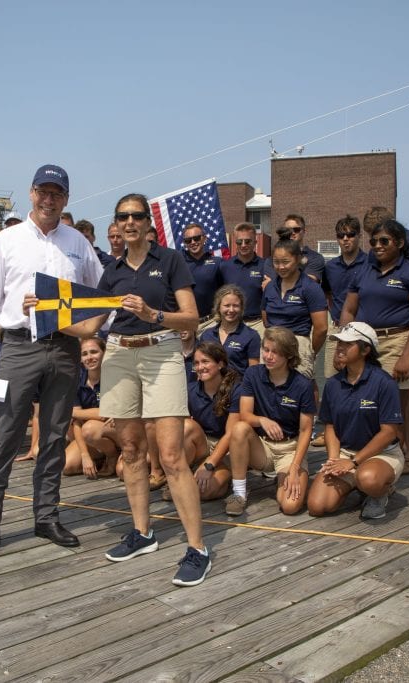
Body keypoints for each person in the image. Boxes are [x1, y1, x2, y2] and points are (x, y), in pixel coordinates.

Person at [0, 164, 103, 565]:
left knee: (55, 436)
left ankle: (46, 516)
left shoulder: (77, 242)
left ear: (67, 199)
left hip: (64, 349)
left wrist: (91, 326)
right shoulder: (6, 240)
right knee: (4, 436)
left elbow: (99, 290)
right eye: (43, 191)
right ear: (31, 192)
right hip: (19, 347)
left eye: (57, 193)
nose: (49, 199)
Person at [96, 192, 210, 587]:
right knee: (130, 450)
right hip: (118, 353)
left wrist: (152, 314)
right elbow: (88, 324)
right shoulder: (110, 270)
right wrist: (41, 313)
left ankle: (198, 548)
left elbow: (192, 319)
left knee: (172, 455)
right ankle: (143, 534)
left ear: (149, 223)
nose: (129, 222)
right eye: (122, 216)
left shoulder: (172, 261)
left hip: (161, 351)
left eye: (136, 216)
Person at [341, 219, 409, 474]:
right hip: (365, 341)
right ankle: (382, 451)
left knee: (400, 399)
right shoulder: (364, 271)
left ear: (400, 243)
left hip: (399, 339)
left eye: (384, 241)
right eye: (373, 241)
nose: (377, 246)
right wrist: (345, 341)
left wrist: (407, 355)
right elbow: (349, 309)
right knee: (369, 397)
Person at [308, 322, 404, 520]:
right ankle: (356, 485)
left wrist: (353, 462)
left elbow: (389, 432)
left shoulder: (384, 383)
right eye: (339, 342)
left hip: (381, 454)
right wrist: (334, 460)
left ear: (366, 350)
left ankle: (379, 492)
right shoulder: (333, 384)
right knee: (317, 506)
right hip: (345, 453)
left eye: (348, 343)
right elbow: (330, 425)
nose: (340, 347)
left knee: (368, 479)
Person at [227, 326, 316, 516]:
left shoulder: (303, 385)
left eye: (275, 352)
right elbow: (244, 415)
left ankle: (293, 478)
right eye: (266, 350)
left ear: (289, 356)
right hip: (263, 447)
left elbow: (306, 431)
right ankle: (239, 493)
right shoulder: (253, 374)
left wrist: (294, 468)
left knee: (290, 506)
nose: (268, 356)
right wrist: (262, 420)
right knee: (240, 428)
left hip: (289, 450)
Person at [261, 229, 328, 382]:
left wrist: (310, 351)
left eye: (285, 262)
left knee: (300, 389)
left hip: (298, 346)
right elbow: (265, 316)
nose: (280, 267)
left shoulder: (310, 288)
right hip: (271, 344)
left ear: (298, 259)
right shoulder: (270, 287)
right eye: (276, 262)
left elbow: (321, 327)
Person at [185, 342, 238, 503]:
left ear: (220, 364)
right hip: (202, 444)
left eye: (205, 361)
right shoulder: (191, 390)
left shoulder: (237, 389)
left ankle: (224, 476)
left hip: (228, 450)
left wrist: (209, 465)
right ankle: (181, 476)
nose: (200, 367)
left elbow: (231, 435)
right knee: (186, 426)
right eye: (196, 363)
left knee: (204, 492)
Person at [63, 337, 120, 478]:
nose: (89, 357)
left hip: (115, 430)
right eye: (85, 354)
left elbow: (104, 413)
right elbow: (76, 421)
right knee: (67, 466)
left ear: (104, 353)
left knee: (89, 428)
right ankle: (100, 456)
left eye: (94, 352)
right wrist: (84, 455)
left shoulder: (115, 376)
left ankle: (113, 456)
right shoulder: (77, 380)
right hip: (91, 435)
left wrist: (73, 413)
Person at [321, 215, 367, 379]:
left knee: (362, 378)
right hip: (336, 329)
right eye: (341, 236)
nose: (346, 239)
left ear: (359, 236)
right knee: (332, 377)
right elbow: (327, 293)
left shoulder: (370, 264)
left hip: (363, 330)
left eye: (350, 234)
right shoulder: (330, 267)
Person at [200, 284, 260, 376]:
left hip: (238, 388)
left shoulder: (251, 336)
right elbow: (200, 367)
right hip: (211, 387)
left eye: (235, 306)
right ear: (219, 307)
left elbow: (254, 373)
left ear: (241, 308)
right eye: (227, 305)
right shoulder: (207, 335)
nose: (231, 310)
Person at [219, 222, 265, 336]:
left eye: (248, 241)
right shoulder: (225, 266)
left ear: (255, 242)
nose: (243, 245)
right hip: (231, 323)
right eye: (239, 242)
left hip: (257, 324)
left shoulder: (265, 266)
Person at [181, 222, 224, 332]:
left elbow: (225, 292)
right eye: (188, 240)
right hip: (184, 324)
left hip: (210, 323)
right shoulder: (178, 264)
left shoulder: (218, 263)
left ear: (204, 238)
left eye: (196, 238)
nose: (193, 242)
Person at [263, 214, 324, 287]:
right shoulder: (271, 259)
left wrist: (274, 283)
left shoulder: (315, 258)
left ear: (304, 231)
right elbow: (268, 287)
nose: (292, 233)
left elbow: (308, 285)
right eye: (287, 230)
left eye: (296, 230)